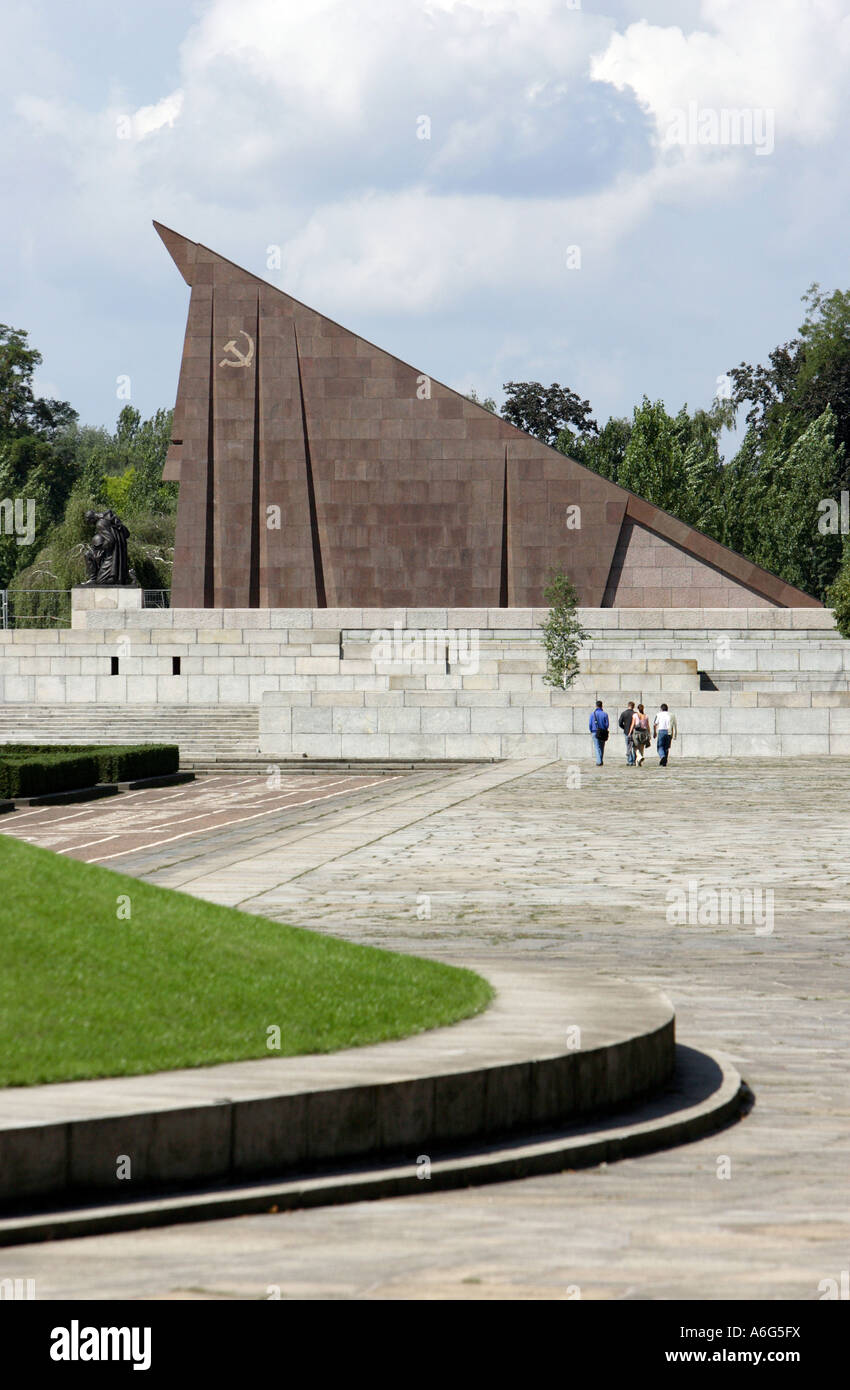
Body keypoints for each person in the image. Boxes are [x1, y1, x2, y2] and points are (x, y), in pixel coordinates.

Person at [589, 700, 609, 766]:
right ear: (601, 705)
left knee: (597, 747)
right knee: (602, 747)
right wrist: (604, 728)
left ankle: (599, 761)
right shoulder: (605, 714)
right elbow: (607, 724)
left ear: (596, 706)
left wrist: (591, 730)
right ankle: (600, 760)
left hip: (595, 732)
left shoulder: (592, 714)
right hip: (603, 732)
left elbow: (590, 724)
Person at [618, 700, 636, 765]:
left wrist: (624, 728)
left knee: (628, 746)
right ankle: (634, 760)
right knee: (634, 747)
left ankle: (630, 760)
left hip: (626, 731)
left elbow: (620, 723)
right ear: (633, 706)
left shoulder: (624, 713)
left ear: (628, 706)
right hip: (634, 732)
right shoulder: (635, 714)